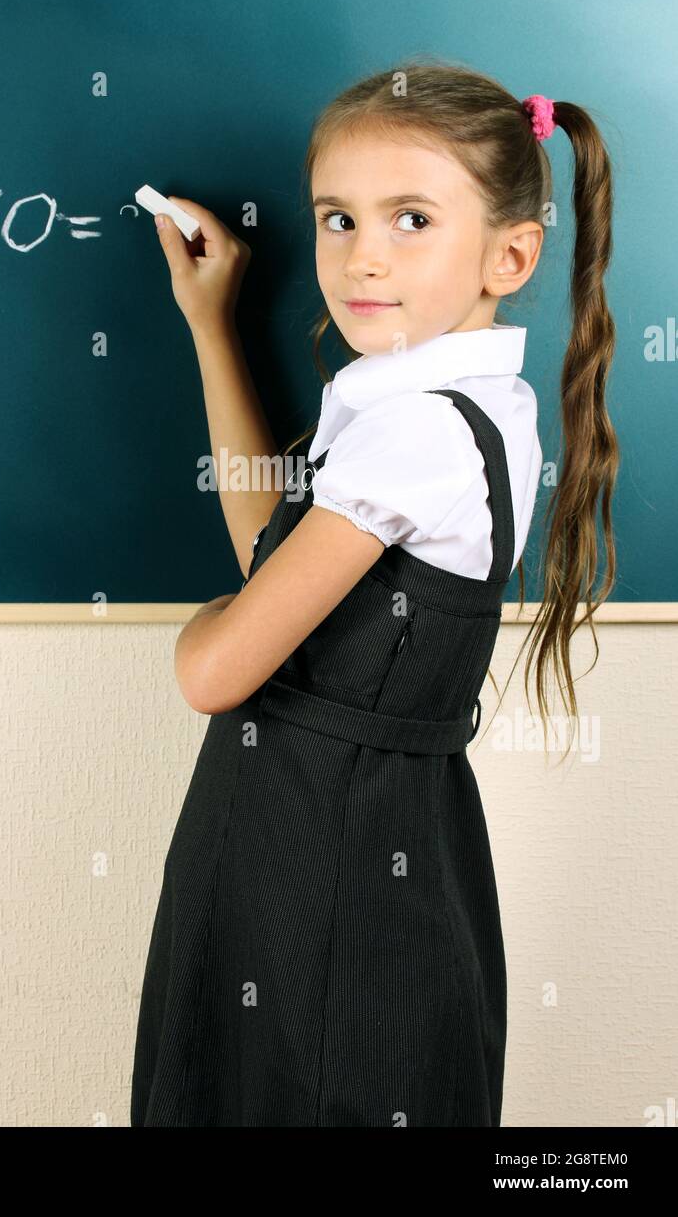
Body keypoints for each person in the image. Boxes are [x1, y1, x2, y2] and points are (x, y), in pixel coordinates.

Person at [130, 61, 619, 1127]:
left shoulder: (414, 429)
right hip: (338, 849)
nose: (361, 258)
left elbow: (214, 670)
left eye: (409, 220)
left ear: (509, 254)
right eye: (337, 219)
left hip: (323, 866)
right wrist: (213, 325)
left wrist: (194, 632)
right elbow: (272, 546)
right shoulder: (452, 399)